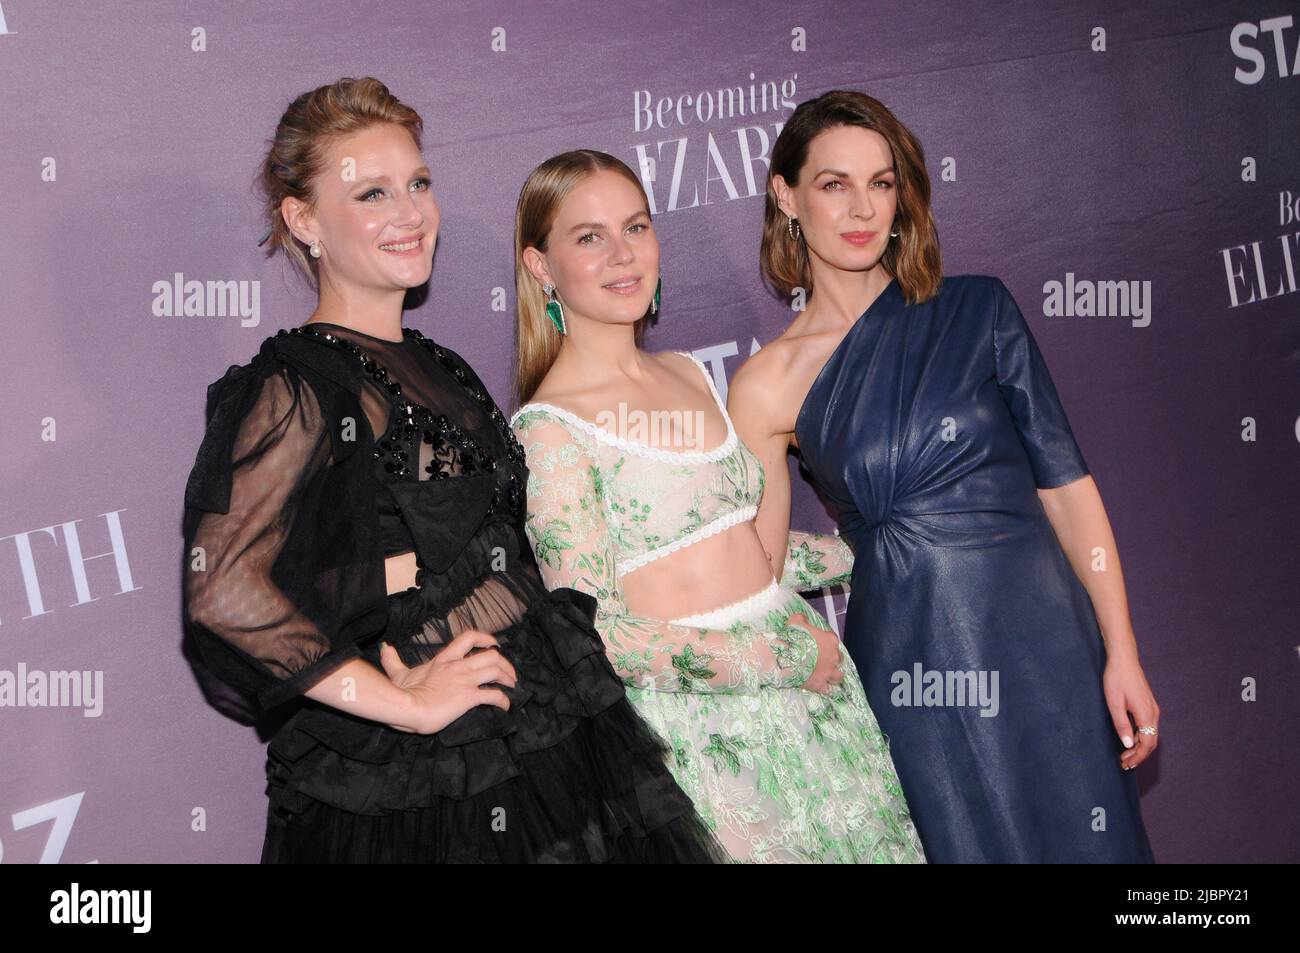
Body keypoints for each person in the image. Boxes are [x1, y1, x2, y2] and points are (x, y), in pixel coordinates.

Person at [181, 77, 725, 863]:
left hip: (545, 722)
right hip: (424, 784)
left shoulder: (438, 362)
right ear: (304, 221)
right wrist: (404, 706)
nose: (409, 214)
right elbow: (224, 593)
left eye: (418, 183)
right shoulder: (295, 382)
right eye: (371, 193)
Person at [728, 89, 1158, 862]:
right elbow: (759, 573)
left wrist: (1120, 647)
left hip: (1045, 642)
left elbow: (1068, 490)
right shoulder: (766, 384)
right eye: (834, 184)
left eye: (882, 182)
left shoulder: (978, 309)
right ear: (786, 195)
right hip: (911, 666)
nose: (862, 207)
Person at [507, 150, 925, 863]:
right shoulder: (548, 430)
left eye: (635, 227)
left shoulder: (685, 373)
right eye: (589, 237)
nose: (622, 254)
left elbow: (740, 553)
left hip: (815, 703)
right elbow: (599, 635)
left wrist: (878, 549)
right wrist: (780, 657)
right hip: (709, 740)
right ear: (542, 266)